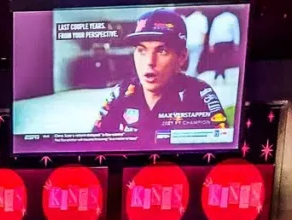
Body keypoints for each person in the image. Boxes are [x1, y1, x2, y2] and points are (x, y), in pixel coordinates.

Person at [93, 8, 228, 145]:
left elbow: (221, 150)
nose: (150, 62)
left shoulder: (200, 95)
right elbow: (93, 145)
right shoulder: (121, 93)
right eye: (141, 51)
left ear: (182, 56)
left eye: (162, 51)